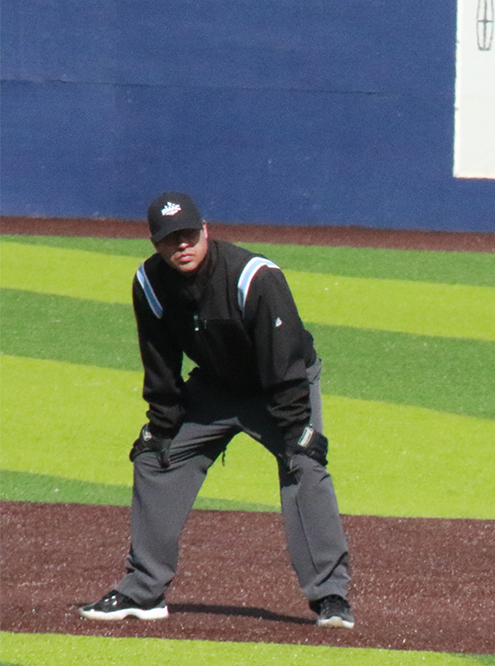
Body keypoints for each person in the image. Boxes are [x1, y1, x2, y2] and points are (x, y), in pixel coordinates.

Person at [79, 192, 355, 628]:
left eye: (189, 235)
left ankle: (331, 597)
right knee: (154, 456)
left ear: (205, 231)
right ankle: (143, 591)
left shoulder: (254, 277)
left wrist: (297, 427)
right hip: (215, 388)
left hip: (278, 385)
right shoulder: (150, 283)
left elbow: (284, 362)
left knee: (304, 460)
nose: (182, 246)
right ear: (155, 243)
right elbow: (160, 362)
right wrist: (161, 425)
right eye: (171, 240)